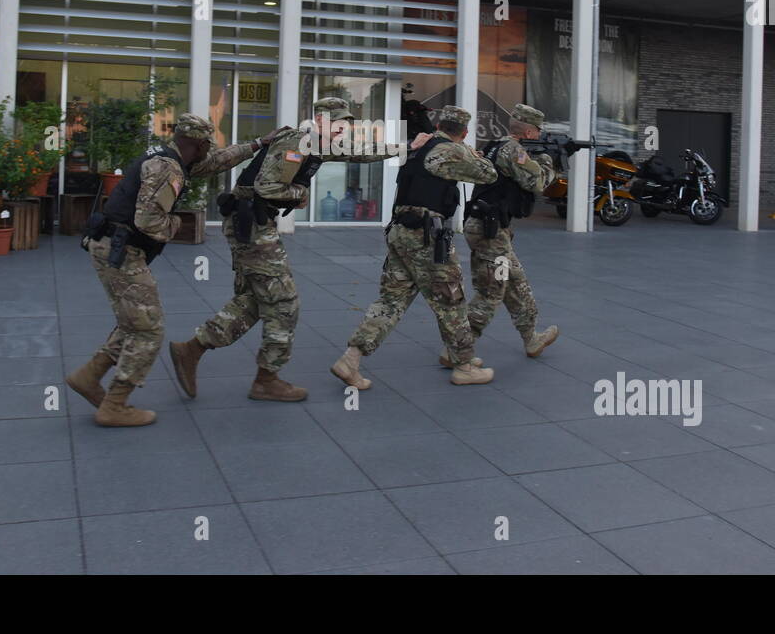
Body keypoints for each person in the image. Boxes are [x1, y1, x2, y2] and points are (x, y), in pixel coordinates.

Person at [66, 113, 284, 426]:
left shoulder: (172, 156)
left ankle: (88, 377)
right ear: (199, 143)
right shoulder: (167, 168)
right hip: (122, 251)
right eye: (208, 143)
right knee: (148, 328)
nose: (211, 148)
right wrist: (177, 224)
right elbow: (150, 221)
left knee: (132, 322)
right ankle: (115, 404)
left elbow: (215, 163)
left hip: (114, 246)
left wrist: (257, 144)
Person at [169, 97, 389, 401]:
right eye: (337, 121)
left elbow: (358, 155)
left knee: (255, 301)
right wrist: (301, 193)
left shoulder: (317, 144)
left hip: (254, 224)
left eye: (346, 122)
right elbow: (267, 187)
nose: (343, 128)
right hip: (253, 227)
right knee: (285, 302)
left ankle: (192, 349)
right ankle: (267, 379)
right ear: (320, 121)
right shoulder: (299, 143)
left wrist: (405, 148)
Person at [332, 105, 498, 389]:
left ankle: (351, 358)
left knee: (391, 301)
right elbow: (489, 174)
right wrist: (470, 153)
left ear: (439, 124)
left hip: (401, 230)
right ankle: (464, 365)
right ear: (465, 132)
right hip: (426, 237)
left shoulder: (420, 146)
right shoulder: (451, 150)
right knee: (451, 300)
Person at [463, 103, 560, 359]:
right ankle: (458, 348)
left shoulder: (494, 144)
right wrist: (550, 161)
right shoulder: (513, 150)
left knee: (516, 283)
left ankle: (531, 338)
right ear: (529, 132)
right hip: (489, 231)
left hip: (489, 228)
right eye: (538, 131)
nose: (539, 135)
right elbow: (536, 182)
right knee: (491, 291)